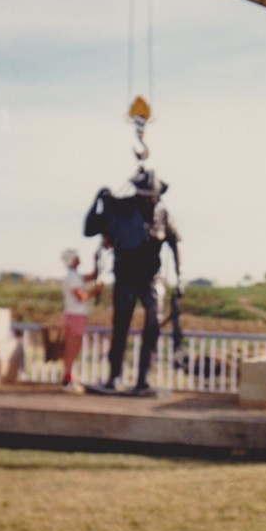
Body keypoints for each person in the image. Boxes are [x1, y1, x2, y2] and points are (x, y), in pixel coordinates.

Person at [83, 167, 181, 395]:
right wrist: (98, 200)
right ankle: (113, 378)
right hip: (125, 276)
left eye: (153, 196)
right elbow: (89, 229)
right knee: (120, 327)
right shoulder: (120, 209)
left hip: (151, 278)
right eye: (145, 195)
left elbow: (177, 242)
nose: (150, 200)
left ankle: (142, 381)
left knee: (153, 325)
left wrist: (180, 278)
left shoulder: (163, 215)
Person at [60, 248, 103, 393]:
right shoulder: (72, 277)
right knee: (72, 348)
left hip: (76, 316)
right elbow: (81, 297)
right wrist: (95, 291)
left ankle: (69, 377)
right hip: (75, 316)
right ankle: (67, 379)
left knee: (73, 348)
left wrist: (96, 261)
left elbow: (93, 276)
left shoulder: (75, 275)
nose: (78, 257)